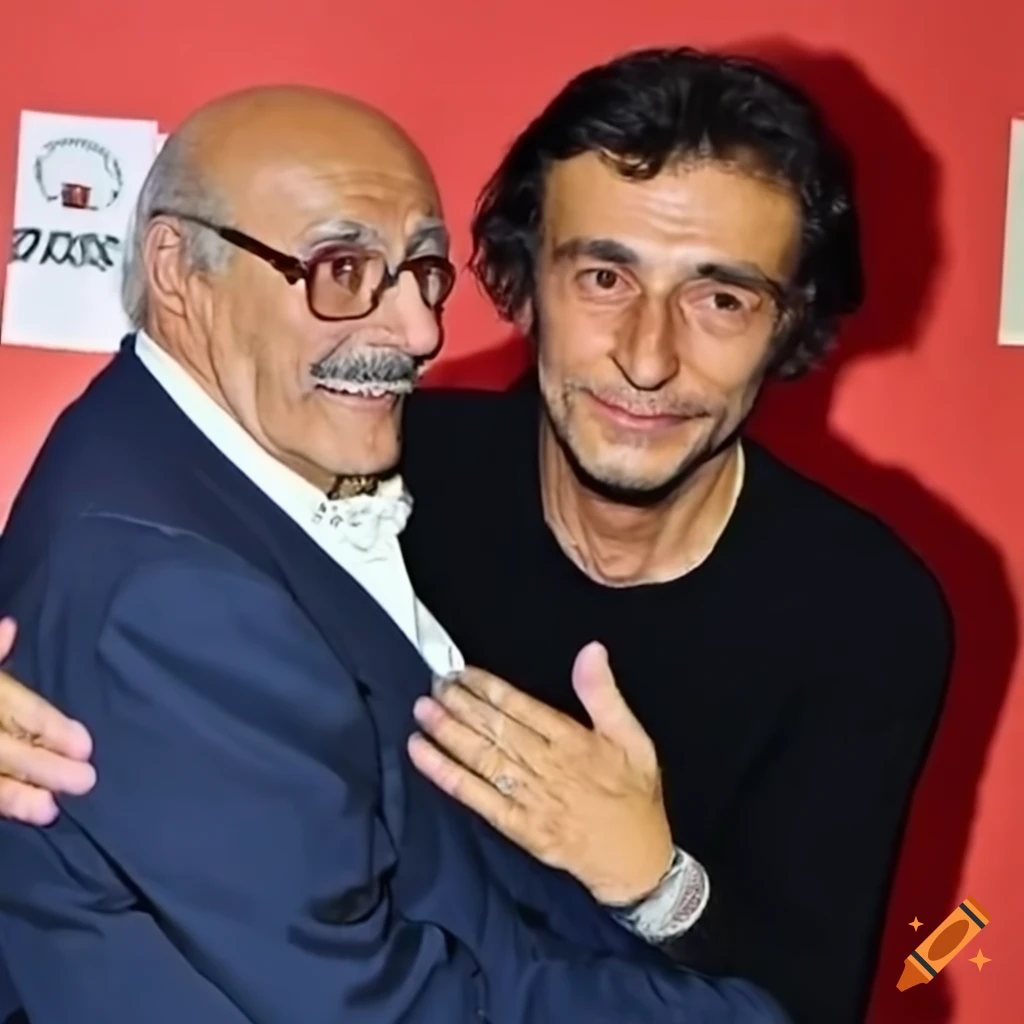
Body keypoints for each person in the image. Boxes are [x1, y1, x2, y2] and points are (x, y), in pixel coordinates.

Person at [0, 47, 953, 1024]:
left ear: (787, 324)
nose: (648, 357)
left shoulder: (864, 611)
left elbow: (810, 997)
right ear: (524, 277)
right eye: (602, 278)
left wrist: (657, 883)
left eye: (720, 299)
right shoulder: (378, 458)